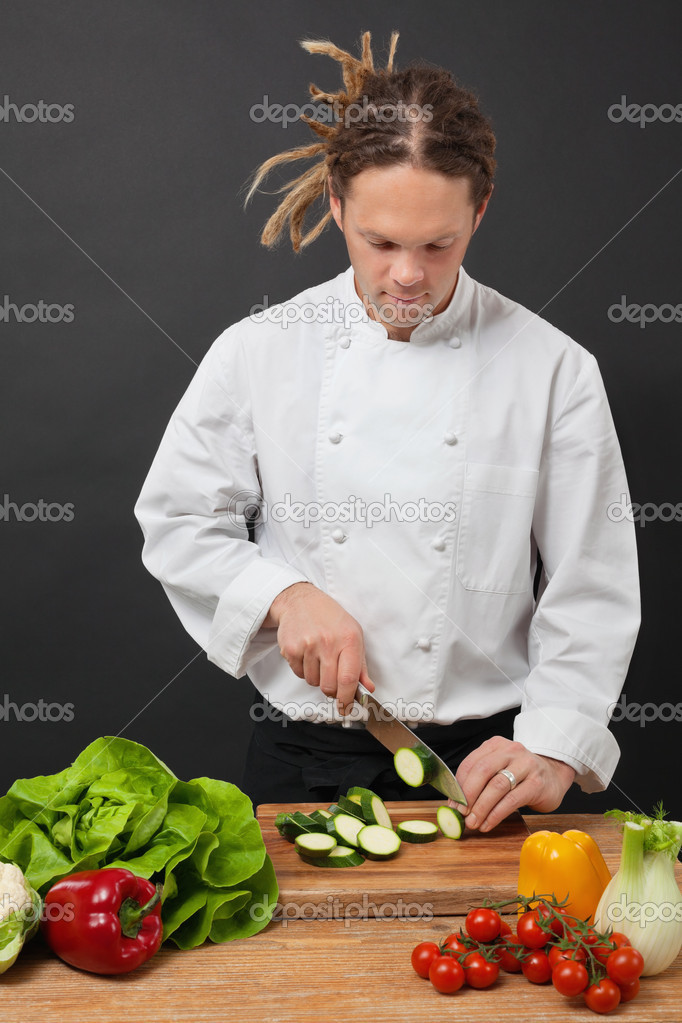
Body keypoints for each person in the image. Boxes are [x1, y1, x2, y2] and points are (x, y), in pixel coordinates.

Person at [134, 31, 640, 832]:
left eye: (438, 244)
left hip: (484, 771)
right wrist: (283, 594)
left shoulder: (555, 371)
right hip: (305, 764)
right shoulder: (260, 350)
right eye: (381, 242)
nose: (408, 273)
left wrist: (553, 744)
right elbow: (177, 521)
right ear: (337, 205)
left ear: (481, 208)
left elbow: (593, 586)